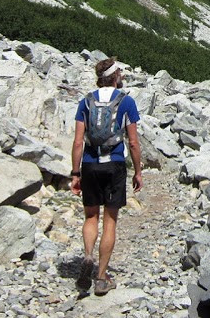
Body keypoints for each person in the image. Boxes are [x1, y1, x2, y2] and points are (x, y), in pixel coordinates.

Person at [70, 56, 142, 296]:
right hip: (114, 165)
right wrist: (138, 171)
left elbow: (78, 141)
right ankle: (101, 277)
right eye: (120, 72)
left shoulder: (86, 102)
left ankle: (88, 256)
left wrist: (75, 173)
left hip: (90, 165)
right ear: (115, 77)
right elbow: (133, 142)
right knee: (110, 220)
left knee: (91, 217)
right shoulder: (126, 102)